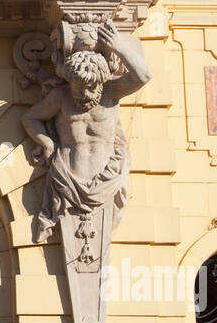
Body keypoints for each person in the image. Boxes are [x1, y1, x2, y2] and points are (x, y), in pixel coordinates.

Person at [21, 21, 151, 243]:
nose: (85, 93)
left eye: (91, 87)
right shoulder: (62, 97)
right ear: (69, 81)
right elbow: (30, 117)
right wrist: (48, 144)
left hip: (106, 179)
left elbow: (143, 76)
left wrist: (118, 46)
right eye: (78, 87)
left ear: (101, 82)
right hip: (68, 178)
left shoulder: (110, 92)